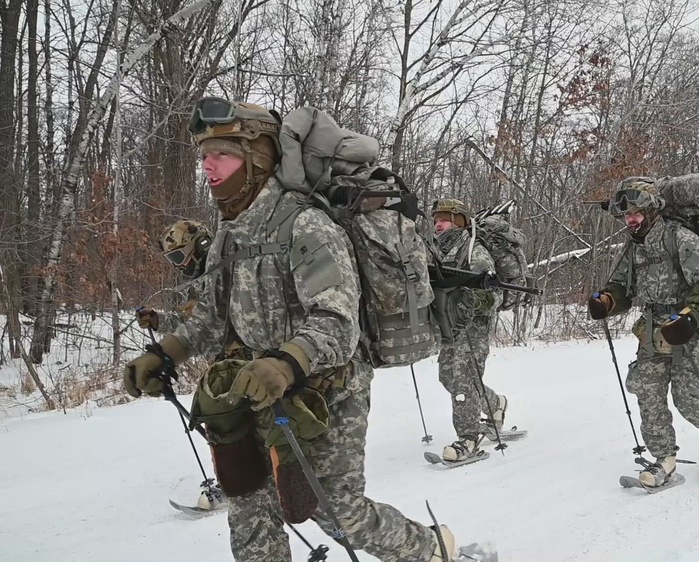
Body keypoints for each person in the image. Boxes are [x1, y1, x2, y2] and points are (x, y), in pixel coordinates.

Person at [122, 97, 456, 562]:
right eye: (203, 156)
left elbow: (338, 323)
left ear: (257, 156)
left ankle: (430, 549)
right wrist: (165, 352)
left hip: (326, 389)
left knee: (338, 512)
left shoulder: (307, 225)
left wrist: (285, 361)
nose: (208, 166)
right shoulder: (229, 234)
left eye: (221, 153)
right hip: (250, 389)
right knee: (250, 509)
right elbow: (210, 319)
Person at [587, 177, 699, 488]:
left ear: (652, 209)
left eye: (636, 213)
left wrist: (690, 318)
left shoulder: (680, 239)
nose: (630, 220)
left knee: (689, 399)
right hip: (652, 329)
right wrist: (607, 301)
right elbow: (620, 288)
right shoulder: (633, 246)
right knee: (648, 393)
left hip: (685, 327)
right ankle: (664, 459)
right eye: (626, 215)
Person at [430, 198, 508, 463]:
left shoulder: (474, 250)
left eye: (444, 218)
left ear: (459, 221)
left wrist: (469, 300)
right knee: (447, 377)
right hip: (449, 323)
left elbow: (495, 295)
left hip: (474, 324)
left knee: (463, 377)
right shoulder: (435, 250)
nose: (438, 223)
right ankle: (495, 404)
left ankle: (468, 437)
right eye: (436, 219)